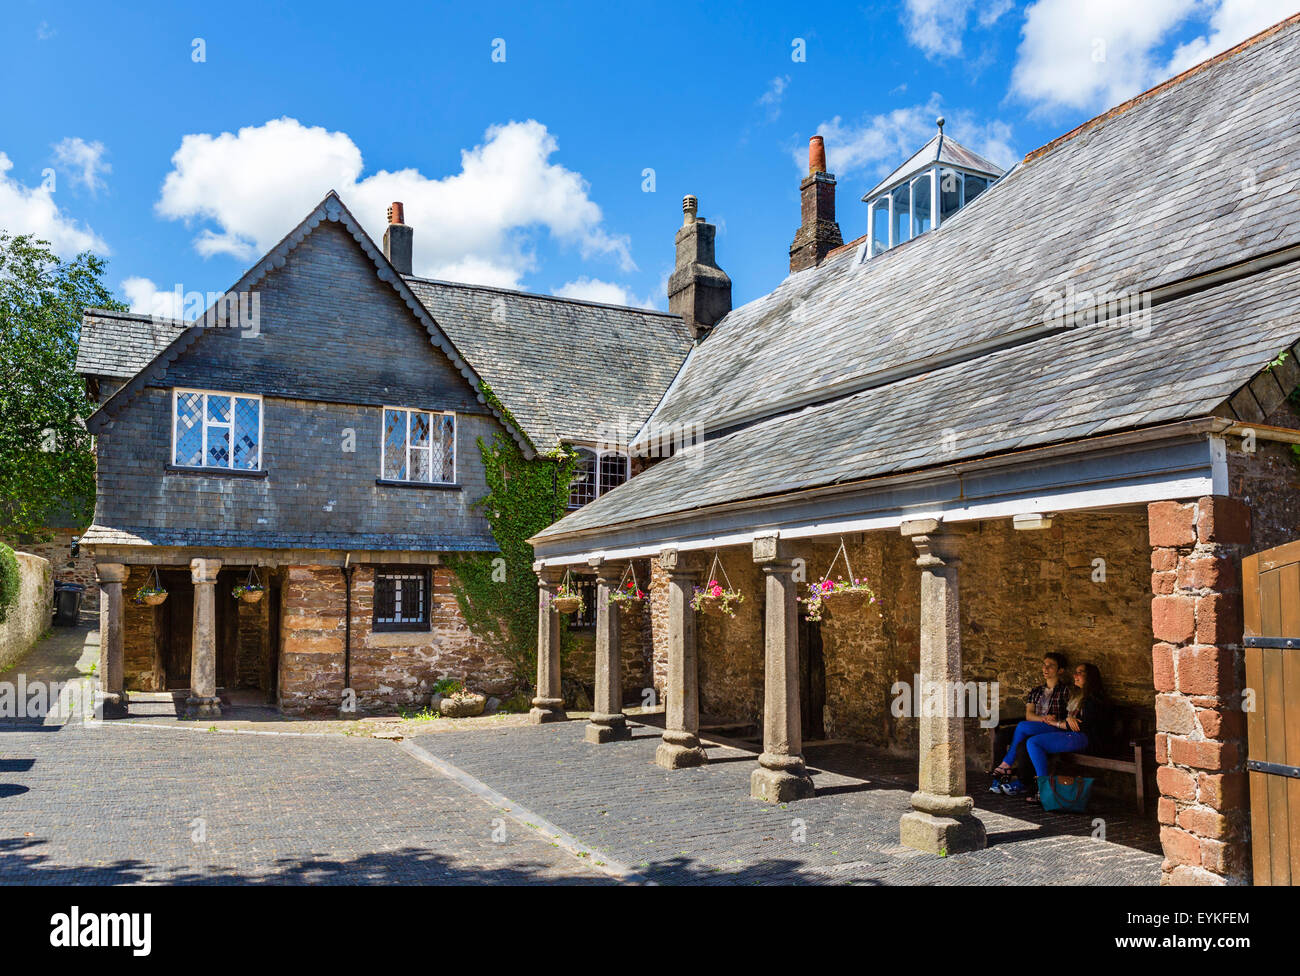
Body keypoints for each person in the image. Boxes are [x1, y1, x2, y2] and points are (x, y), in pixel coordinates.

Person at [1022, 662, 1108, 806]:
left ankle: (1043, 790)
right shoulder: (1080, 696)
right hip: (1077, 736)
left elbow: (1080, 726)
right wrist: (1067, 720)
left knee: (1034, 742)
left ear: (1090, 677)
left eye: (1080, 672)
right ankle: (1042, 787)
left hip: (1087, 740)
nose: (1075, 675)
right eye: (1075, 672)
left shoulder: (1093, 699)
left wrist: (1059, 723)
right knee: (1032, 741)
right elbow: (1072, 721)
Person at [990, 652, 1071, 797]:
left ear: (1060, 670)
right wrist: (1043, 718)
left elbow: (1068, 715)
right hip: (1034, 726)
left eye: (1051, 666)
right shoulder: (1036, 691)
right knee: (1002, 735)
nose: (1045, 668)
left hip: (1053, 729)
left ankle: (1018, 778)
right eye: (1044, 665)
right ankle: (999, 777)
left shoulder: (1065, 691)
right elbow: (1029, 715)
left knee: (1023, 739)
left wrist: (1052, 720)